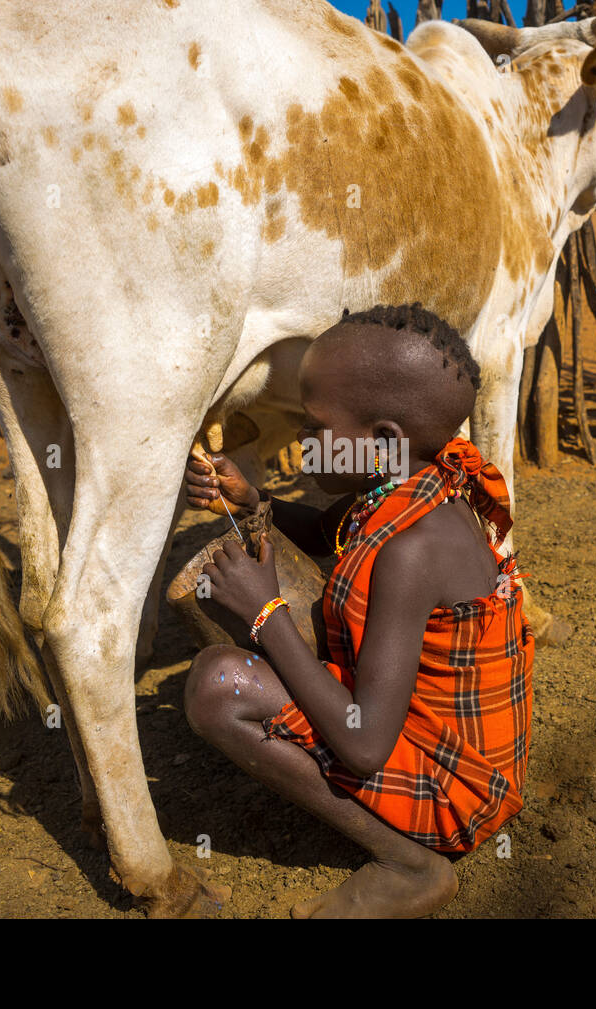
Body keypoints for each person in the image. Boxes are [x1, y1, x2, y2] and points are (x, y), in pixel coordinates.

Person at [183, 304, 536, 918]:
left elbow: (367, 744)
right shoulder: (408, 483)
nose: (303, 441)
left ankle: (408, 864)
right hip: (427, 737)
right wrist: (251, 499)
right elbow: (325, 530)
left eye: (315, 426)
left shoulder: (413, 552)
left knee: (217, 684)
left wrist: (266, 613)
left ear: (383, 440)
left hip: (454, 792)